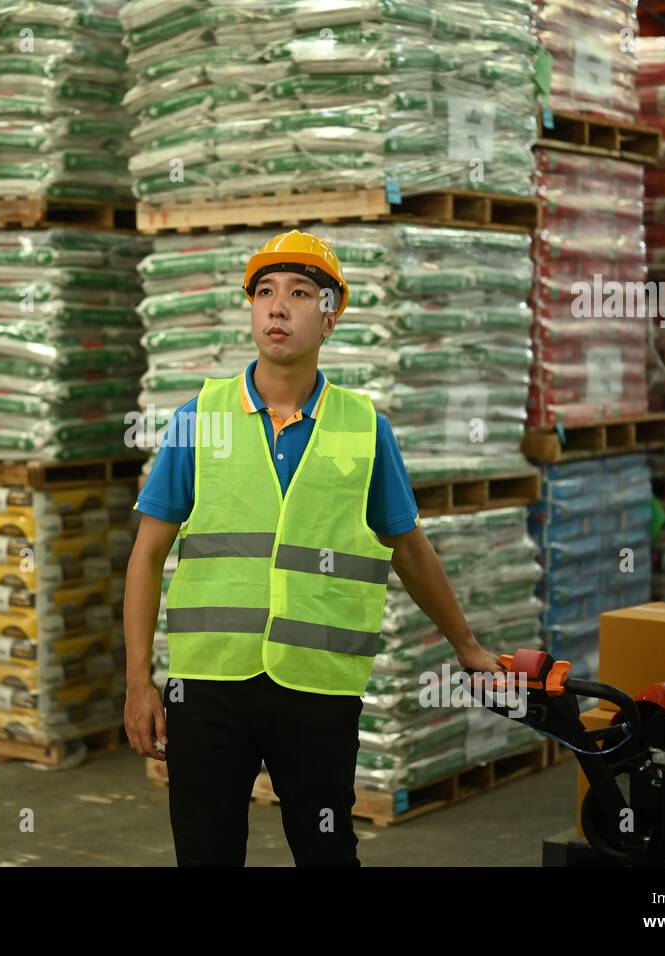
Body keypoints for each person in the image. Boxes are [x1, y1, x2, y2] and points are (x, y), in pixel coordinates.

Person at [122, 229, 500, 867]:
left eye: (300, 293)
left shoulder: (364, 428)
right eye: (264, 292)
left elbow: (409, 549)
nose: (277, 307)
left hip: (318, 690)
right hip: (209, 685)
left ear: (330, 317)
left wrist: (466, 646)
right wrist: (138, 681)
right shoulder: (200, 418)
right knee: (205, 853)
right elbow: (147, 554)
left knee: (327, 852)